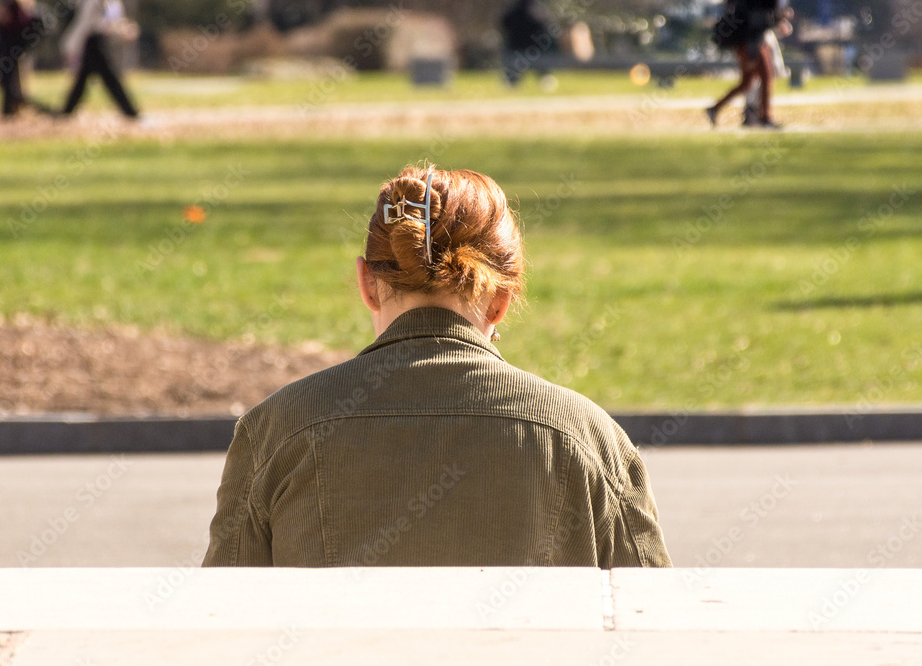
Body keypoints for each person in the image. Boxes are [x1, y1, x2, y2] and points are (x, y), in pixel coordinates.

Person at [203, 165, 671, 569]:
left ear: (367, 283)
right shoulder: (589, 439)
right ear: (501, 302)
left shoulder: (275, 431)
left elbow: (217, 627)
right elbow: (654, 621)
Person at [707, 0, 793, 129]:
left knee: (747, 81)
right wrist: (781, 20)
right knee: (767, 74)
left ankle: (715, 109)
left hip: (743, 38)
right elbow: (765, 16)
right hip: (751, 39)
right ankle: (765, 117)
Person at [60, 0, 141, 119]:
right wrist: (120, 29)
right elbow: (90, 23)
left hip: (100, 43)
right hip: (93, 42)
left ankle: (67, 111)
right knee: (110, 77)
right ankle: (130, 111)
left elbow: (114, 20)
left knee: (85, 79)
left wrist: (123, 28)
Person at [500, 0, 557, 86]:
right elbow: (545, 29)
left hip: (520, 51)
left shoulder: (513, 13)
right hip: (529, 51)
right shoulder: (535, 14)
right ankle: (543, 79)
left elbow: (503, 24)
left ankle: (512, 81)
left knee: (515, 66)